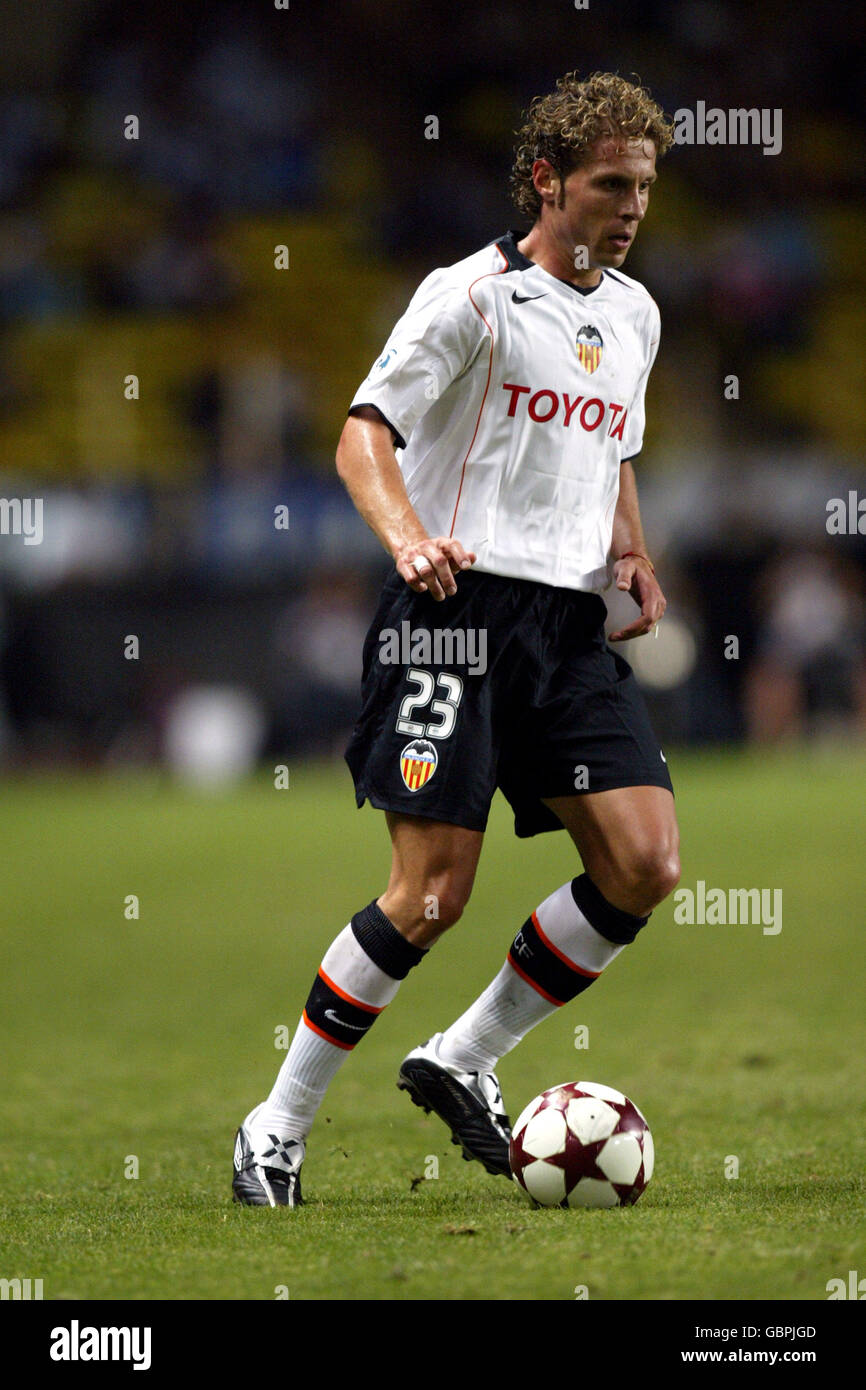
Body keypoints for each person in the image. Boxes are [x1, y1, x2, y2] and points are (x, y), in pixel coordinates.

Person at [233, 71, 681, 1207]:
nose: (630, 208)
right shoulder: (468, 298)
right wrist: (404, 537)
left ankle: (463, 1054)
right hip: (455, 615)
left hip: (568, 624)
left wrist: (628, 549)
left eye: (644, 187)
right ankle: (274, 1126)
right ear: (548, 180)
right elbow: (361, 434)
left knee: (642, 861)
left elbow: (611, 450)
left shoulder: (633, 313)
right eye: (609, 185)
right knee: (429, 894)